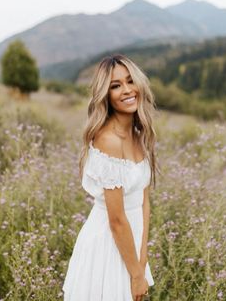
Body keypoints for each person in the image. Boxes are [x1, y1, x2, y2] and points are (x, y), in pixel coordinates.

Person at [62, 54, 159, 301]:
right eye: (116, 86)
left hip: (132, 246)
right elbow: (116, 220)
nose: (127, 90)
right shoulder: (108, 140)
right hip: (108, 245)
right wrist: (136, 275)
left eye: (130, 81)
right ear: (106, 94)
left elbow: (144, 200)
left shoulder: (139, 134)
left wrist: (142, 257)